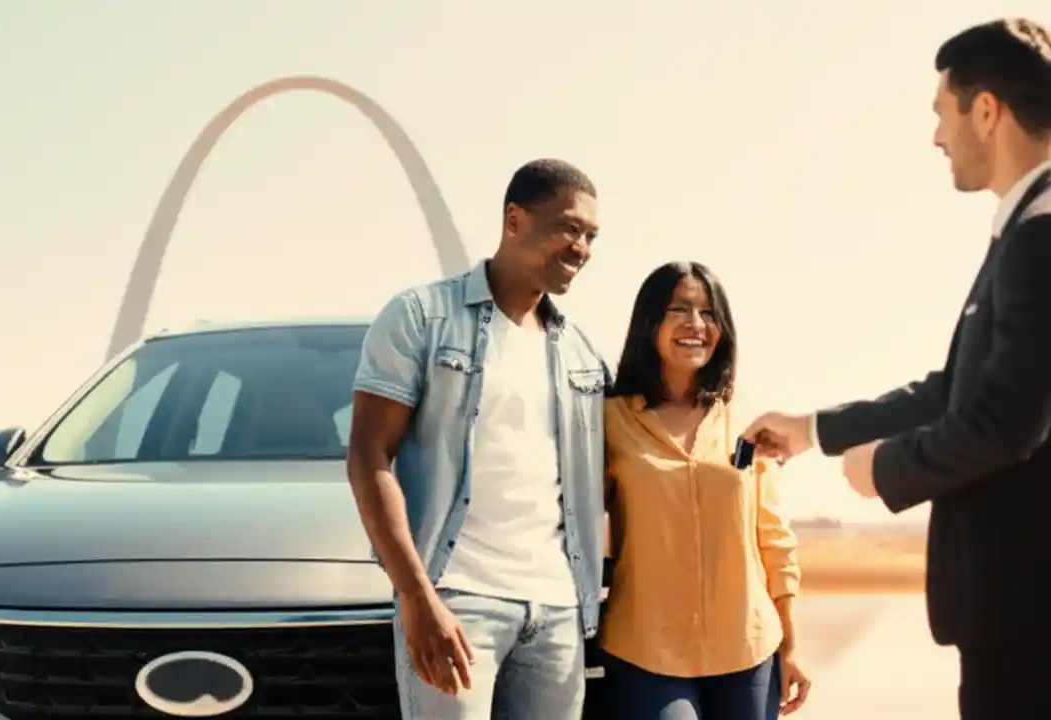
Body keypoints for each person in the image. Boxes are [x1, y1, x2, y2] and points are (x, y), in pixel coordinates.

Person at [743, 18, 1051, 720]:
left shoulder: (1040, 235)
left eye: (942, 113)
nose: (937, 137)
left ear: (986, 110)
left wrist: (884, 467)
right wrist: (817, 429)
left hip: (1026, 615)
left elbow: (1004, 422)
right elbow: (955, 391)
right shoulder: (1026, 228)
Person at [345, 158, 610, 719]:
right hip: (458, 597)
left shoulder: (581, 354)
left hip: (557, 608)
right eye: (568, 227)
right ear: (515, 220)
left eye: (590, 235)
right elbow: (370, 456)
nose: (581, 247)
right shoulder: (422, 317)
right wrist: (418, 599)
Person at [598, 261, 809, 719]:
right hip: (645, 649)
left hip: (747, 647)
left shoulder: (746, 417)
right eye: (680, 310)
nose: (697, 325)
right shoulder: (609, 420)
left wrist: (791, 645)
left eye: (709, 314)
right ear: (649, 322)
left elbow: (774, 537)